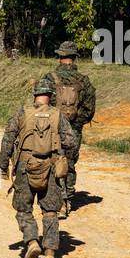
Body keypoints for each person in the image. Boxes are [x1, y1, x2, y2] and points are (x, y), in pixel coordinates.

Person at [0, 79, 75, 258]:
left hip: (25, 166)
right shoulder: (58, 115)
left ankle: (32, 242)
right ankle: (49, 253)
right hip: (51, 167)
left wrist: (3, 164)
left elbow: (8, 139)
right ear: (50, 96)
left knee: (23, 208)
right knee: (50, 211)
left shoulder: (22, 113)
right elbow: (70, 142)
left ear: (35, 95)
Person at [39, 40, 96, 214]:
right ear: (74, 58)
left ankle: (56, 199)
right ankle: (68, 200)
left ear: (60, 57)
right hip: (74, 130)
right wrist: (76, 125)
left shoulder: (49, 78)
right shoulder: (83, 81)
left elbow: (40, 105)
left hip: (52, 129)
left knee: (53, 161)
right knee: (69, 163)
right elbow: (89, 108)